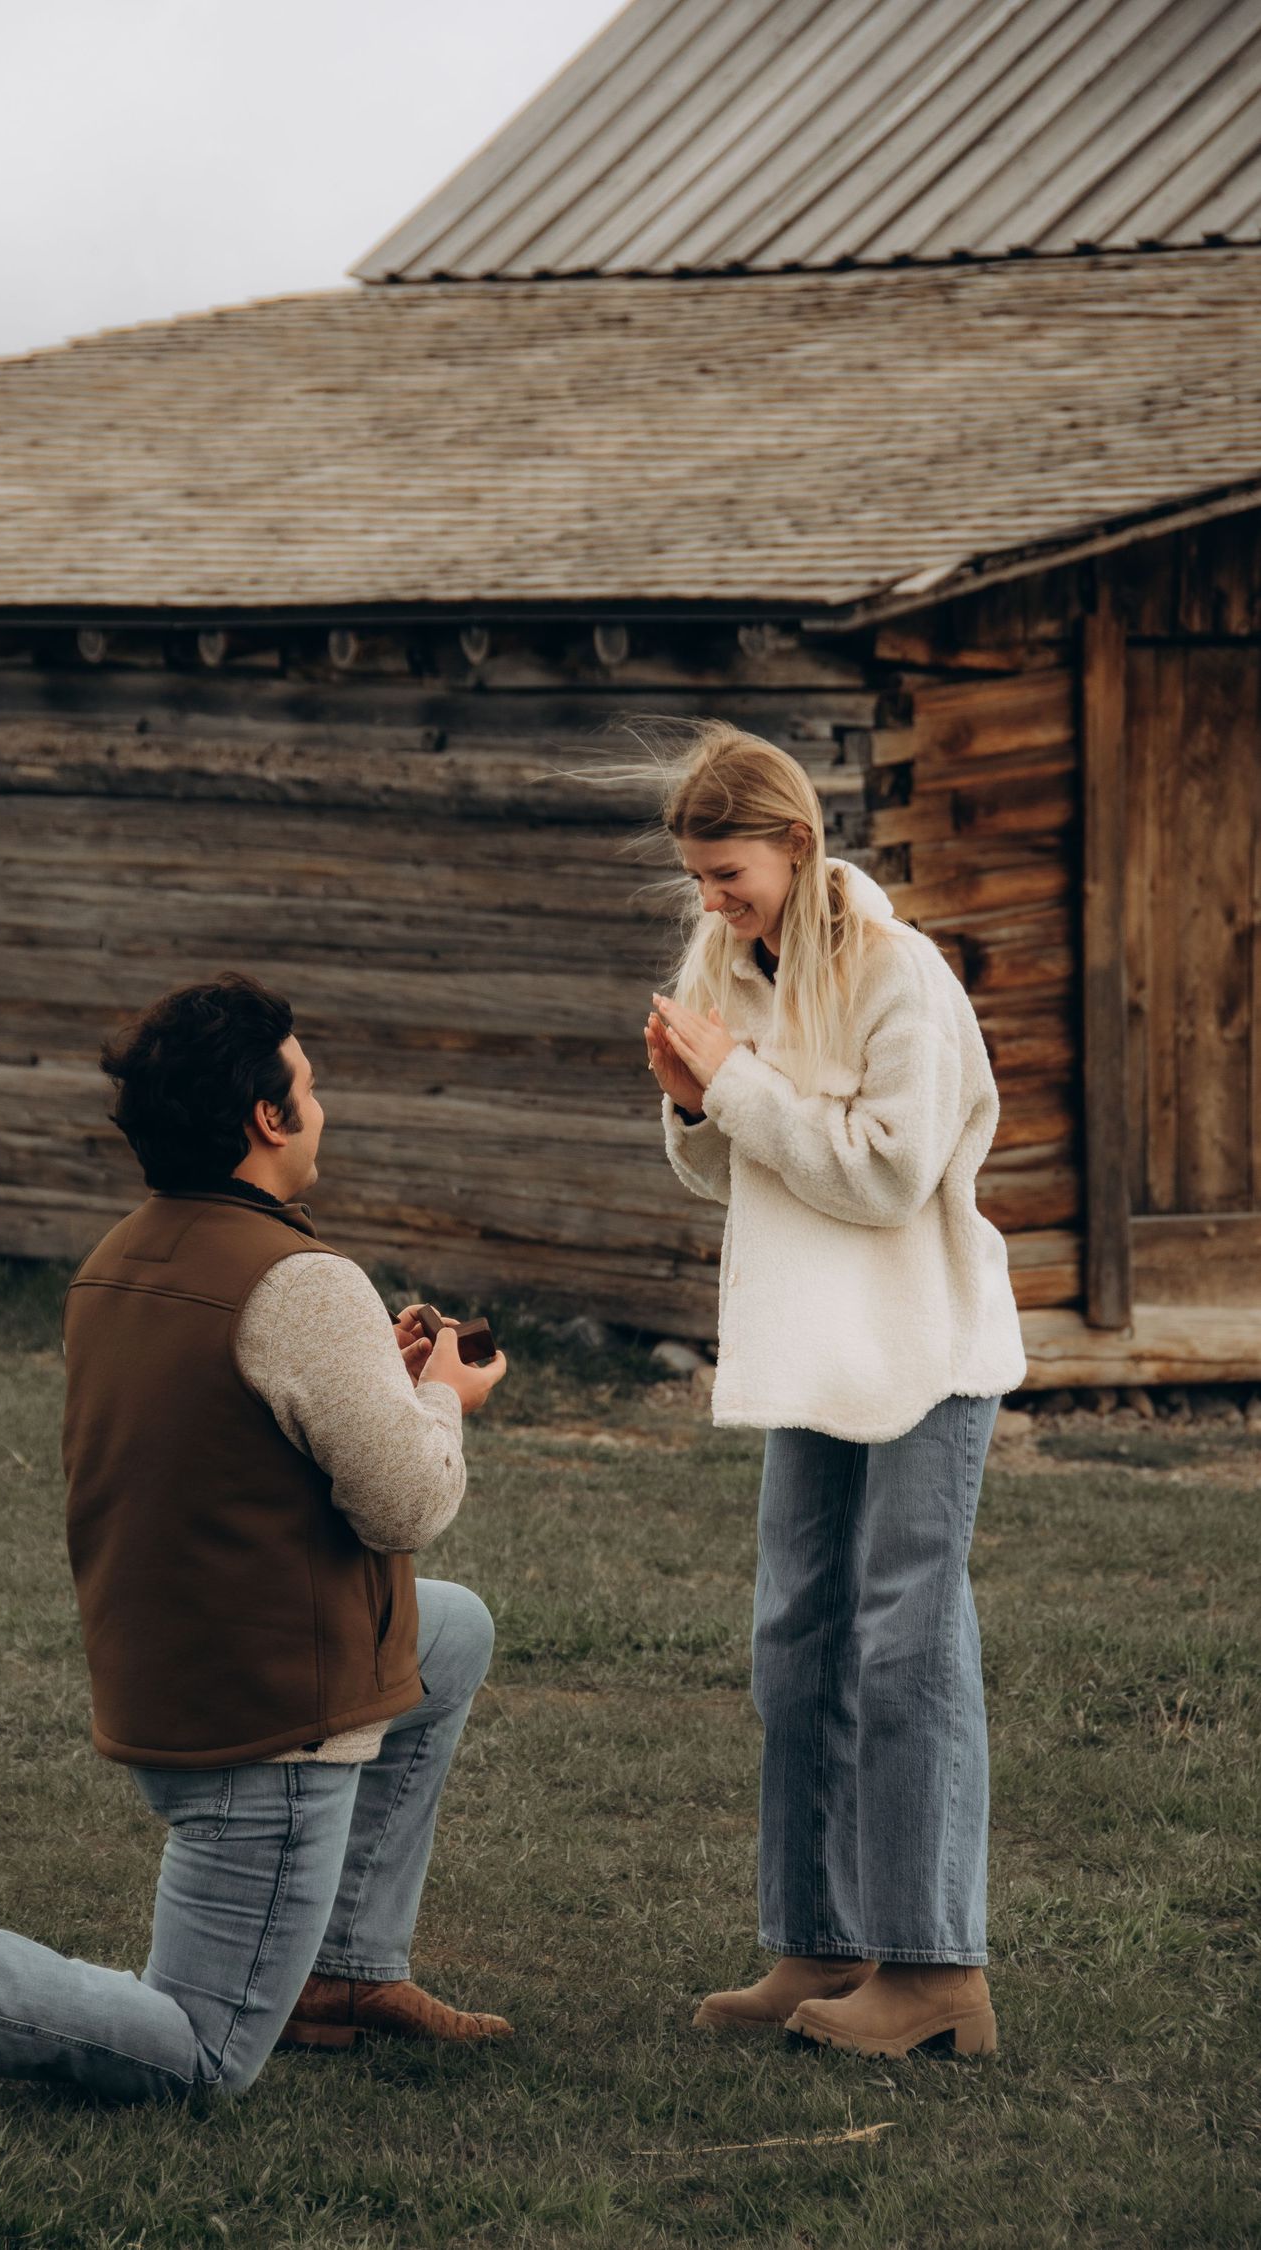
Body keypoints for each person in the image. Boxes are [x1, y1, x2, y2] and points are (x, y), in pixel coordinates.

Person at [0, 972, 509, 2108]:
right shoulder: (307, 1284)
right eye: (310, 1086)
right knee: (199, 2056)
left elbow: (229, 1442)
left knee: (448, 1630)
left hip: (169, 1673)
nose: (324, 1107)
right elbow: (404, 1508)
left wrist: (381, 1382)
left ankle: (341, 1973)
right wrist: (444, 1401)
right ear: (268, 1118)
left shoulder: (116, 1259)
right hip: (267, 1721)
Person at [642, 723, 1026, 2061]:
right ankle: (819, 1938)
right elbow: (729, 1172)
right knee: (796, 1633)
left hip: (922, 1345)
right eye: (697, 877)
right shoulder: (721, 961)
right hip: (811, 1355)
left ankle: (935, 1972)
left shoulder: (897, 975)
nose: (710, 901)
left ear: (797, 848)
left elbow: (881, 1176)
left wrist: (736, 1089)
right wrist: (697, 1110)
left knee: (903, 1634)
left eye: (727, 873)